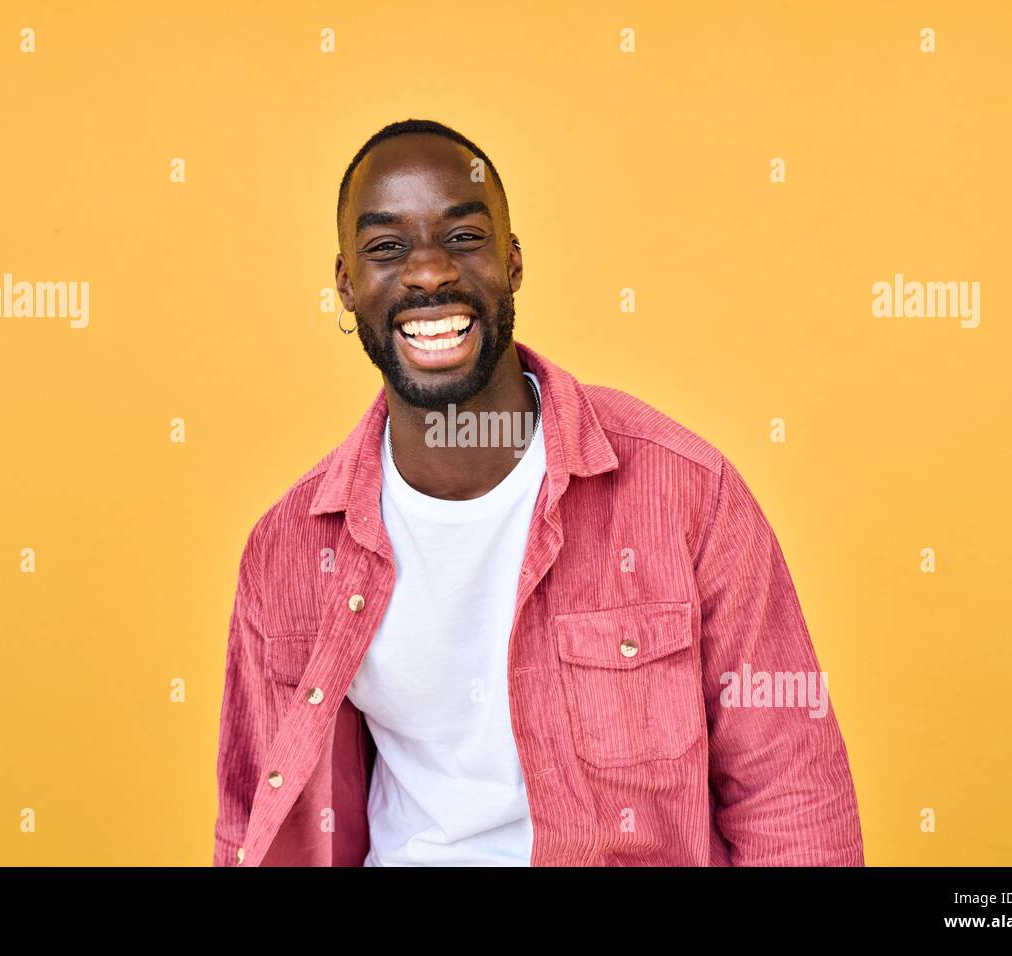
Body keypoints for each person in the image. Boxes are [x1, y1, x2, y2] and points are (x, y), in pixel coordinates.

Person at [213, 118, 863, 866]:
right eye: (387, 248)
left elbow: (792, 792)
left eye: (464, 238)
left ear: (513, 263)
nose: (429, 274)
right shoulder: (288, 550)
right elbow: (251, 820)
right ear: (345, 285)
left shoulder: (685, 492)